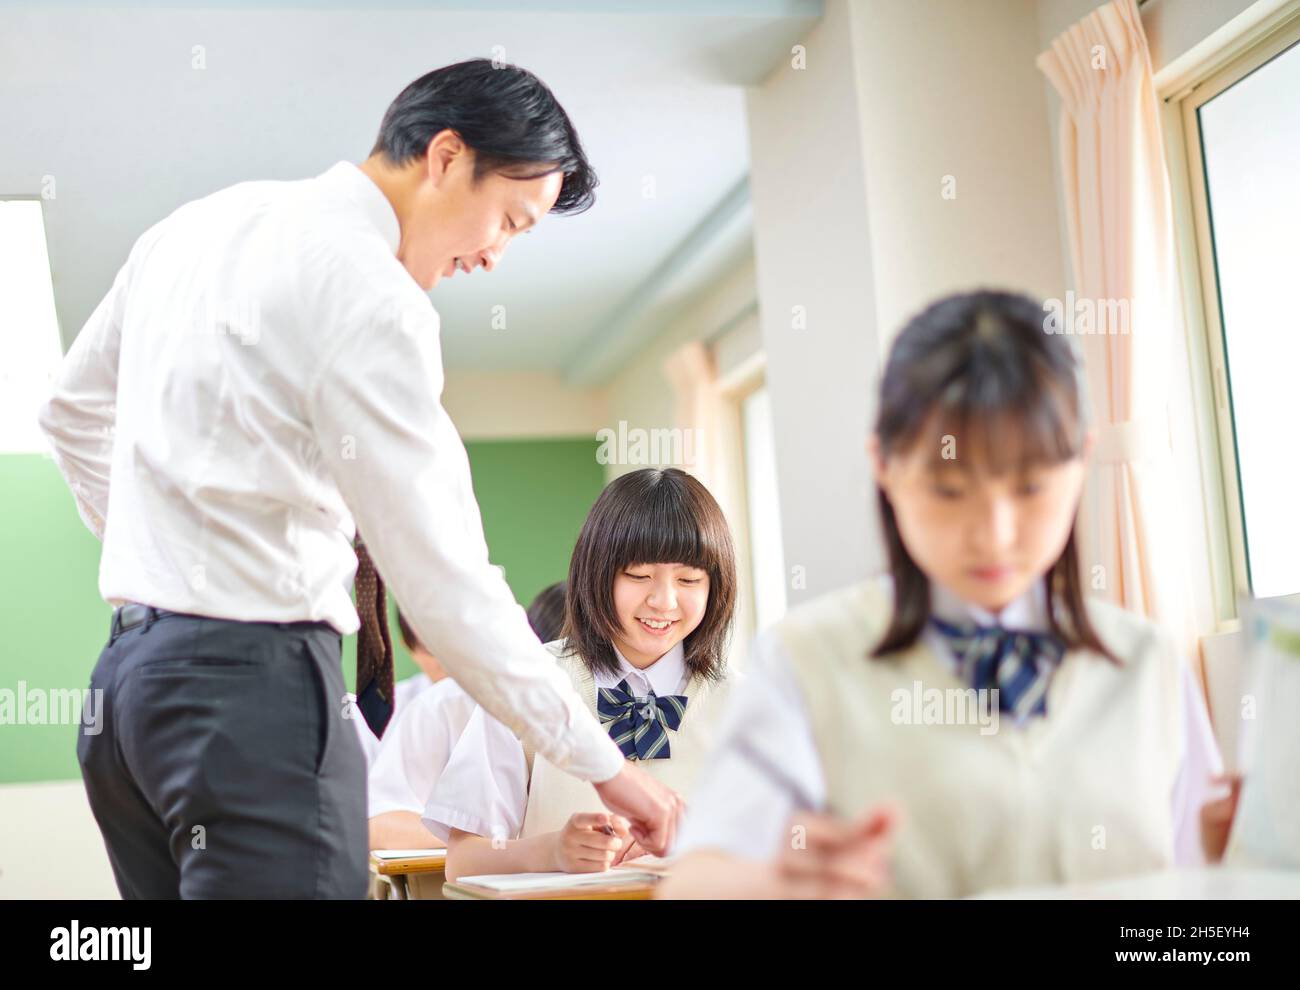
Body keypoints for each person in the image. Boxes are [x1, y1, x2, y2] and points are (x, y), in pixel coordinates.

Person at [39, 58, 678, 900]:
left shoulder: (192, 227)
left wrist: (169, 575)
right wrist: (606, 767)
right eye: (511, 220)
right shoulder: (374, 296)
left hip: (126, 694)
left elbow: (70, 413)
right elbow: (446, 584)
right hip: (251, 698)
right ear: (447, 156)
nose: (496, 257)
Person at [661, 290, 1227, 899]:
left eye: (1031, 488)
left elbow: (1197, 902)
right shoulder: (808, 658)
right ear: (884, 464)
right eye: (950, 490)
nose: (995, 534)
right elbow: (692, 884)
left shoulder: (1146, 662)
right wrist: (774, 885)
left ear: (1083, 460)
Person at [423, 469, 738, 880]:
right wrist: (550, 851)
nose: (664, 600)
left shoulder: (745, 703)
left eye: (688, 579)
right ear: (597, 571)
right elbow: (461, 861)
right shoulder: (529, 684)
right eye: (639, 575)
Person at [365, 586, 567, 850]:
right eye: (431, 646)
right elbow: (381, 824)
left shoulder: (625, 706)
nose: (447, 657)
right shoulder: (443, 705)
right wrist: (499, 847)